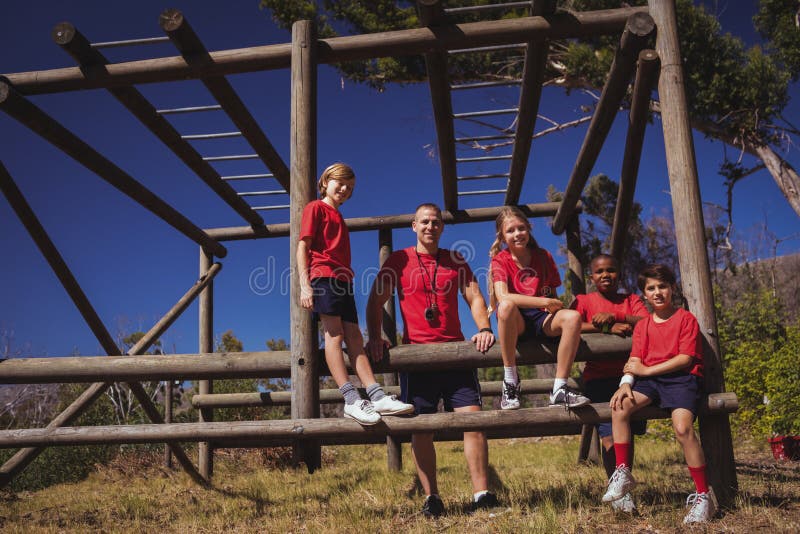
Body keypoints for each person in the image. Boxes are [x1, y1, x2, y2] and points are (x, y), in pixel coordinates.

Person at [366, 203, 499, 518]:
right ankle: (432, 497)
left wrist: (483, 328)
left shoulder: (455, 259)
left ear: (442, 227)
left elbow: (475, 296)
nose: (430, 226)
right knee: (421, 428)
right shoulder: (398, 261)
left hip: (455, 354)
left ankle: (482, 493)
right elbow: (375, 299)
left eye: (436, 222)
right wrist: (374, 337)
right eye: (424, 222)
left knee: (473, 421)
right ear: (414, 226)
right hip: (417, 357)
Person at [298, 163, 413, 426]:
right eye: (340, 183)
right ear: (326, 181)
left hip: (343, 279)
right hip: (323, 276)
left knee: (354, 338)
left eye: (350, 188)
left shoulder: (339, 217)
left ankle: (376, 395)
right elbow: (302, 247)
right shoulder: (315, 208)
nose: (345, 189)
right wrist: (305, 285)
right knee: (334, 335)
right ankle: (350, 399)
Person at [603, 264, 717, 524]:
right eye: (651, 288)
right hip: (650, 381)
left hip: (681, 380)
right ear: (644, 294)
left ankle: (703, 496)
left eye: (662, 287)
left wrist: (647, 368)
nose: (657, 292)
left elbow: (685, 359)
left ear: (672, 288)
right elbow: (635, 359)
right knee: (620, 407)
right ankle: (623, 473)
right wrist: (625, 383)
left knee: (683, 429)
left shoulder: (686, 319)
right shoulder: (643, 326)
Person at [488, 206, 590, 410]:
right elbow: (503, 296)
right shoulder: (500, 260)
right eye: (510, 231)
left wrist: (553, 308)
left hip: (541, 319)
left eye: (521, 228)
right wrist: (543, 302)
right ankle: (510, 380)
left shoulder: (544, 256)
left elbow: (551, 296)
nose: (517, 234)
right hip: (515, 322)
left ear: (529, 228)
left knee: (572, 317)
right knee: (506, 306)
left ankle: (560, 388)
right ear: (501, 236)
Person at [570, 254, 648, 513]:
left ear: (619, 273)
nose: (606, 275)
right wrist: (605, 329)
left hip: (631, 375)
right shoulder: (584, 301)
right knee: (608, 436)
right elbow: (571, 325)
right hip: (599, 378)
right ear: (591, 277)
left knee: (626, 435)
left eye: (611, 270)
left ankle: (623, 482)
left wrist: (615, 316)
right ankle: (618, 493)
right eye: (600, 271)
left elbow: (646, 321)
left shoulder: (631, 300)